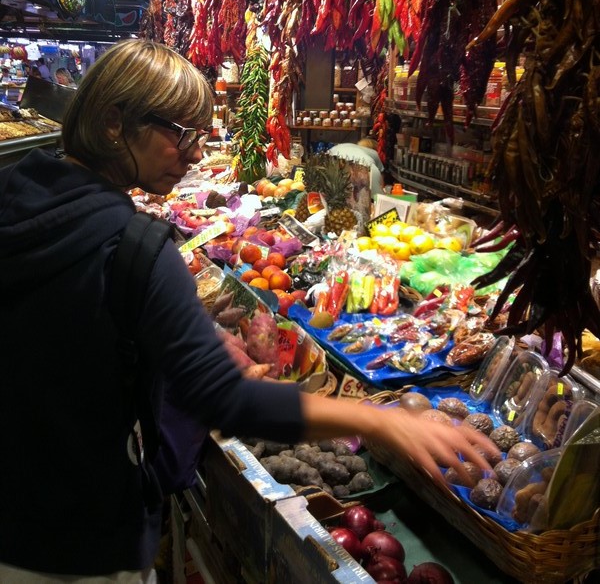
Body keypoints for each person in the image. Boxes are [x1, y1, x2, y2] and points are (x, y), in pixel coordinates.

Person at [0, 39, 494, 583]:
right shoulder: (135, 247)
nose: (195, 152)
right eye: (182, 133)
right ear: (116, 123)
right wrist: (380, 421)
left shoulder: (15, 192)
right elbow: (227, 399)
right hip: (78, 546)